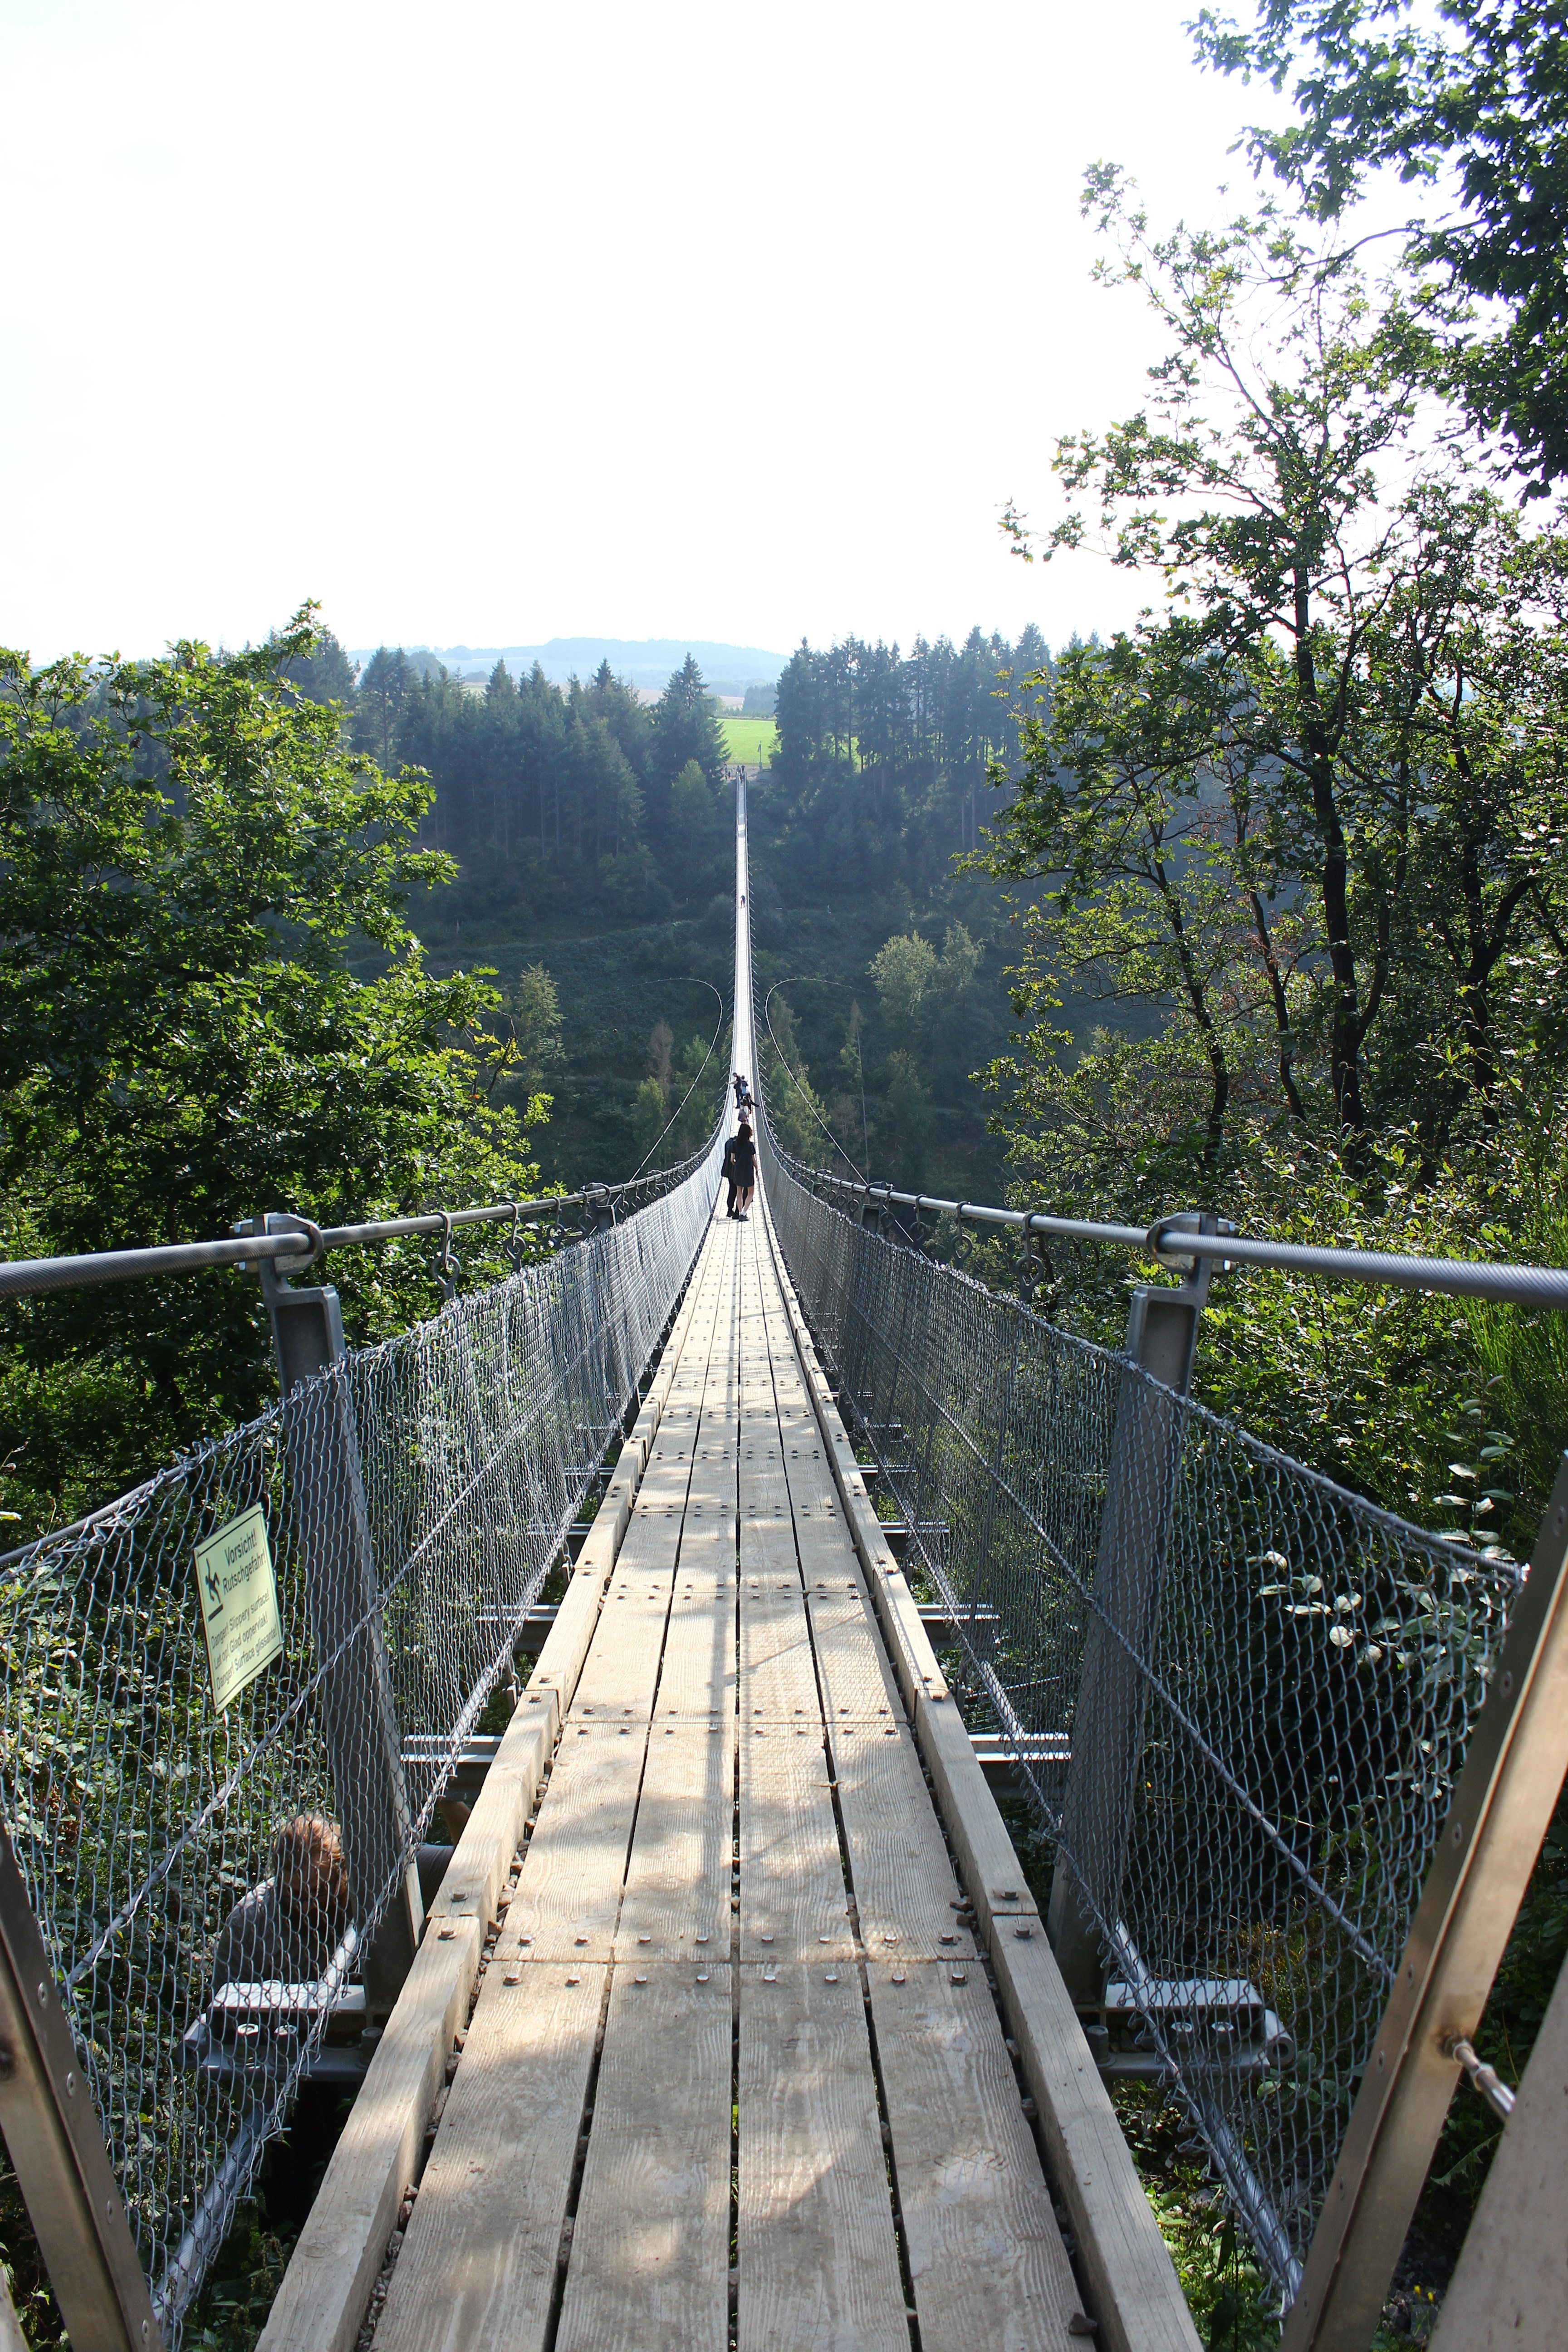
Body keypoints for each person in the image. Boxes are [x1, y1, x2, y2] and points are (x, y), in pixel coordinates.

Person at [732, 1118, 756, 1220]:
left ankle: (739, 1213)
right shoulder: (750, 1145)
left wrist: (737, 1165)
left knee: (739, 1193)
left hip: (738, 1170)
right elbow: (754, 1160)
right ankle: (744, 1213)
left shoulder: (734, 1143)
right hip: (748, 1171)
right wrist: (757, 1170)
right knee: (750, 1193)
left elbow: (732, 1159)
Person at [720, 1127, 741, 1219]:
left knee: (732, 1189)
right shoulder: (741, 1144)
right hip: (738, 1170)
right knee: (740, 1190)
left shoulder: (729, 1143)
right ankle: (738, 1211)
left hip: (729, 1170)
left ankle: (730, 1210)